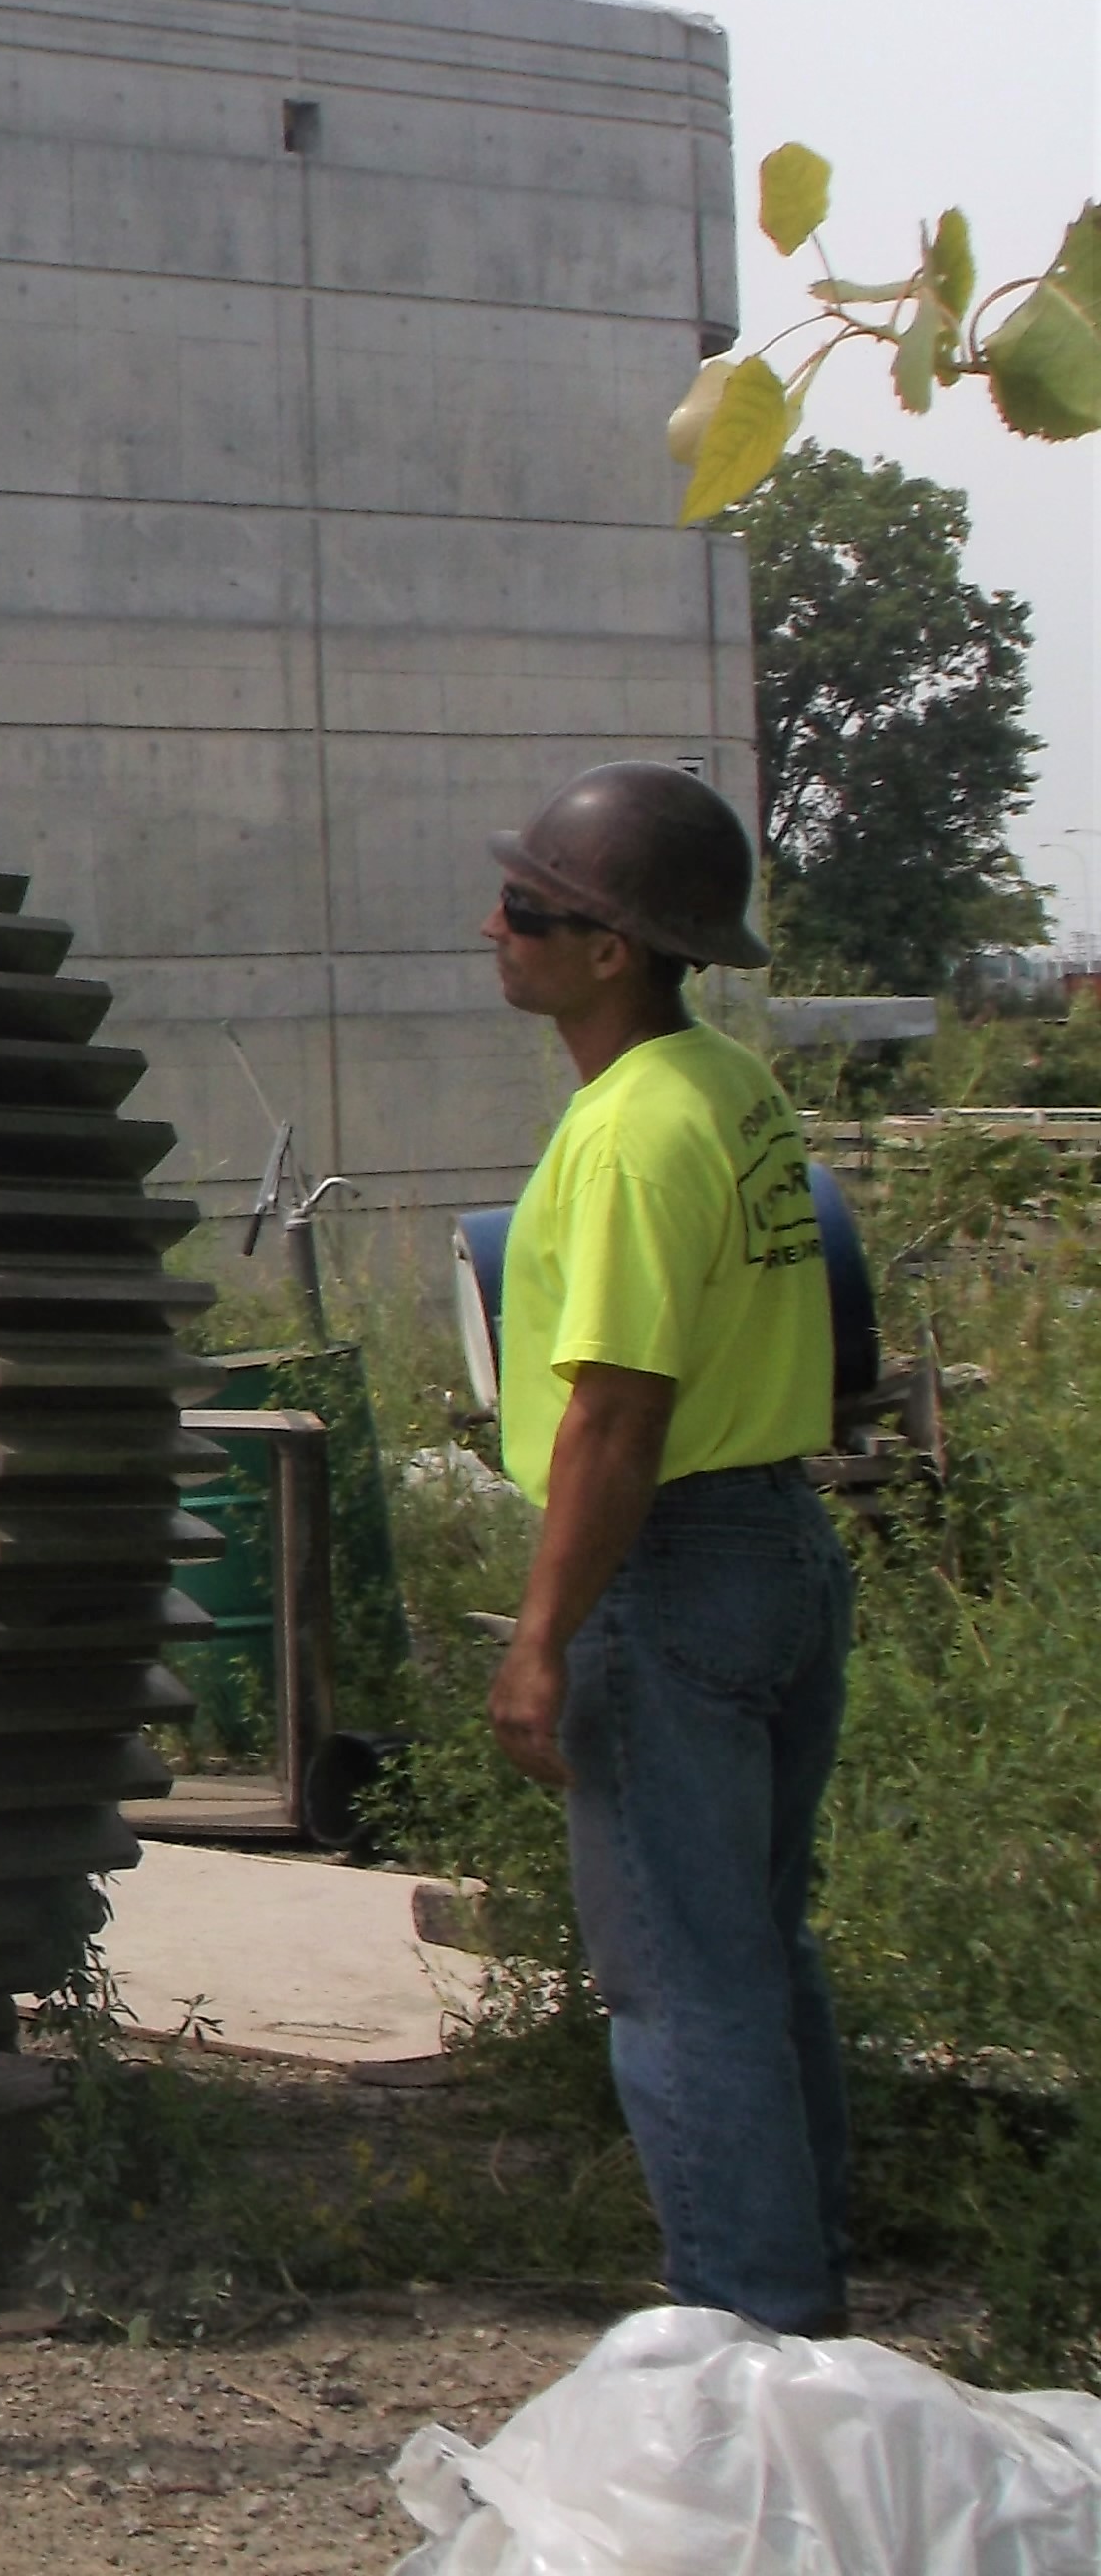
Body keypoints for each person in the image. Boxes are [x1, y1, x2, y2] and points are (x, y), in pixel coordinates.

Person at [480, 759, 848, 2331]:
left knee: (680, 1989)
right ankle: (808, 2302)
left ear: (609, 950)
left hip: (676, 1570)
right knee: (755, 1952)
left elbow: (614, 1421)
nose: (491, 931)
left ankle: (752, 2347)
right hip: (779, 1549)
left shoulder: (629, 1134)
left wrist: (543, 1639)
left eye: (523, 911)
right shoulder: (732, 1090)